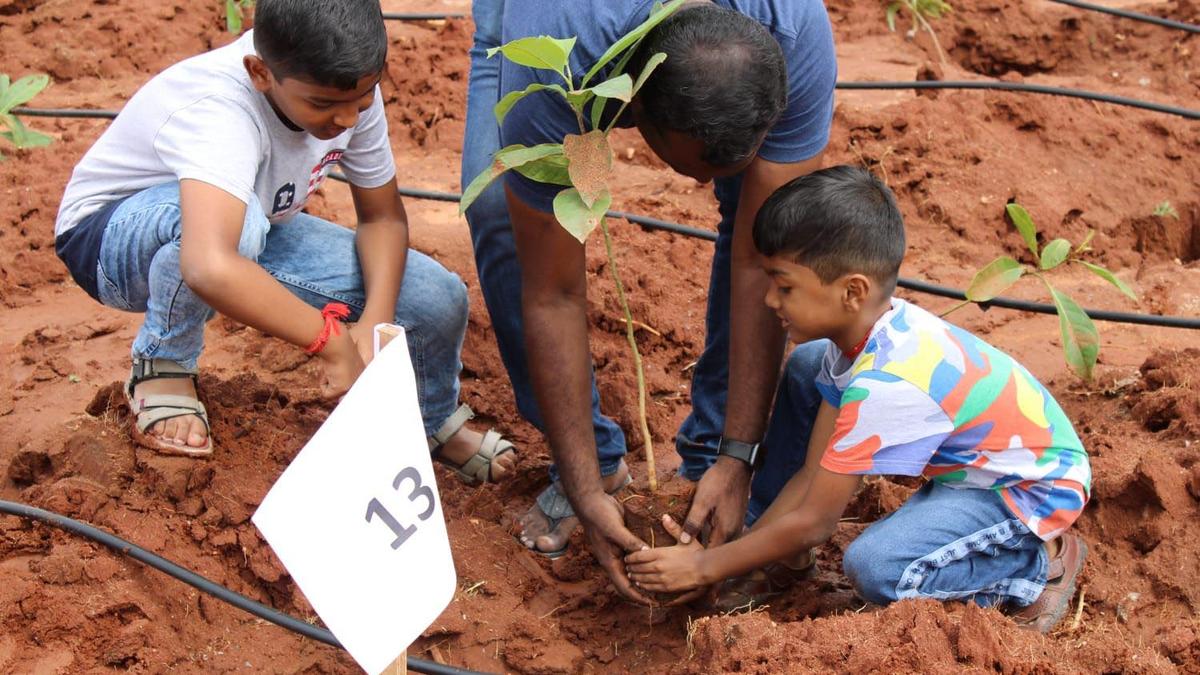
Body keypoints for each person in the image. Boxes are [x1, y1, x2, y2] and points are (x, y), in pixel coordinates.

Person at [462, 0, 837, 601]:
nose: (701, 186)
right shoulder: (556, 55)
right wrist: (585, 489)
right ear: (632, 108)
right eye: (694, 168)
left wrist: (737, 455)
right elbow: (554, 294)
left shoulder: (793, 30)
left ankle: (710, 460)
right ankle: (590, 461)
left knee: (764, 225)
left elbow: (758, 262)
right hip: (545, 28)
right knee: (500, 212)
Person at [54, 0, 515, 485]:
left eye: (359, 102)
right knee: (244, 226)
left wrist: (374, 324)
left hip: (246, 227)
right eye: (322, 105)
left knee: (433, 296)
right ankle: (164, 362)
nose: (345, 120)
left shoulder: (348, 88)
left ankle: (430, 419)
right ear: (259, 72)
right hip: (112, 240)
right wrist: (332, 341)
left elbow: (383, 220)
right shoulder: (220, 108)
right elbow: (208, 264)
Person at [624, 166, 1092, 632]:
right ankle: (774, 553)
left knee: (877, 569)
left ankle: (1035, 563)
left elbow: (816, 521)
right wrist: (737, 557)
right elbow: (810, 473)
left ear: (852, 291)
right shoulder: (858, 341)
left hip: (1027, 489)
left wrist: (707, 567)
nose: (769, 299)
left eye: (784, 285)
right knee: (807, 365)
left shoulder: (885, 386)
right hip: (980, 464)